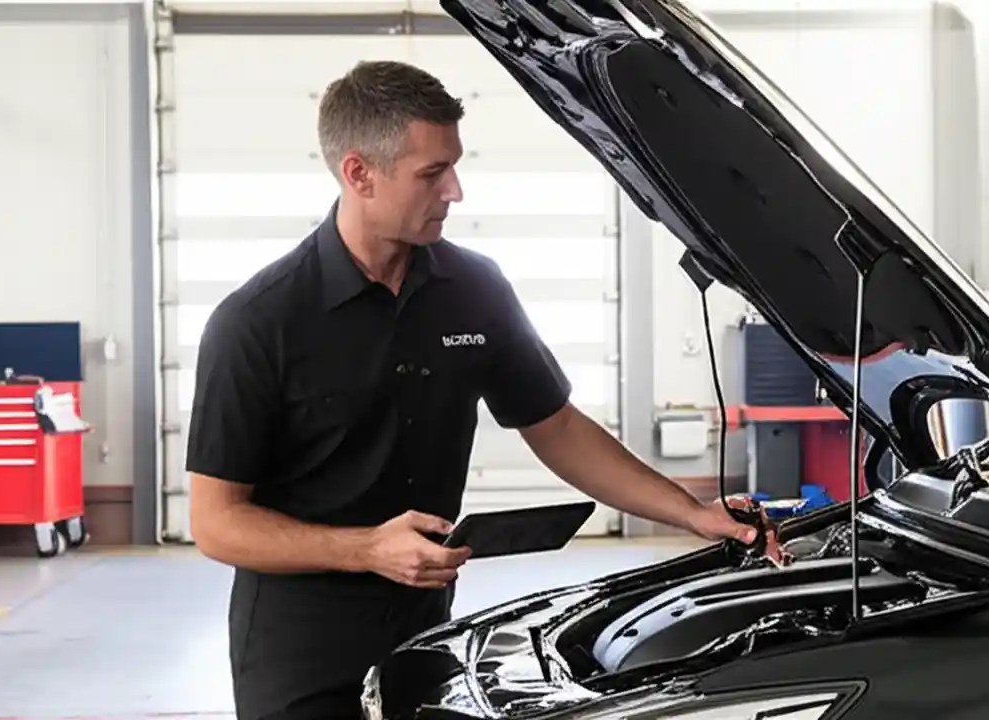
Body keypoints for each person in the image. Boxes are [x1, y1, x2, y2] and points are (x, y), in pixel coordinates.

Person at [185, 60, 762, 720]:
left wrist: (690, 512)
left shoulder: (475, 289)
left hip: (429, 630)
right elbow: (216, 522)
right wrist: (368, 549)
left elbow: (558, 427)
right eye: (432, 173)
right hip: (299, 647)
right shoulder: (258, 321)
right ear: (358, 173)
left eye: (454, 166)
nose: (455, 191)